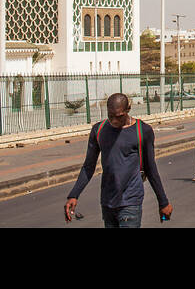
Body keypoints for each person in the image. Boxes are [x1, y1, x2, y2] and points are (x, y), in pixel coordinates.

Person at [64, 93, 172, 228]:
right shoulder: (99, 130)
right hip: (107, 201)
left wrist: (163, 201)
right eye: (111, 116)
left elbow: (150, 168)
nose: (114, 121)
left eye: (119, 116)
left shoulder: (142, 131)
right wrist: (74, 195)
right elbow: (88, 167)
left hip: (131, 201)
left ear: (128, 109)